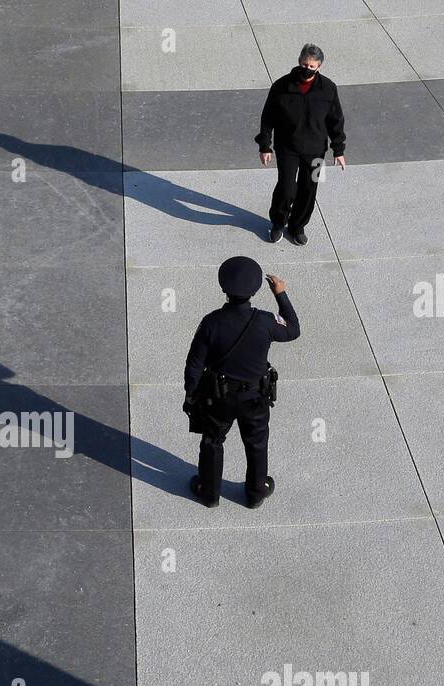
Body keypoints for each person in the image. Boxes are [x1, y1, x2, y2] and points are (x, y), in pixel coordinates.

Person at [183, 256, 300, 508]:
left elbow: (194, 364)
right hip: (255, 397)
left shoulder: (211, 322)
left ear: (224, 289)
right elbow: (293, 330)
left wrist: (191, 393)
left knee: (212, 441)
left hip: (219, 397)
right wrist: (281, 294)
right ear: (256, 290)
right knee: (257, 442)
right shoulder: (266, 321)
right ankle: (256, 492)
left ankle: (209, 492)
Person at [256, 43, 346, 246]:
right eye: (305, 64)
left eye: (312, 66)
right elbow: (267, 117)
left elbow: (336, 120)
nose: (307, 69)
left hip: (316, 150)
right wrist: (265, 145)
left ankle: (297, 226)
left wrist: (338, 149)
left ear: (319, 67)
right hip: (287, 148)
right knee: (286, 188)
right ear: (299, 62)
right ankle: (278, 223)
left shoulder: (328, 89)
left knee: (309, 188)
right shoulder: (281, 86)